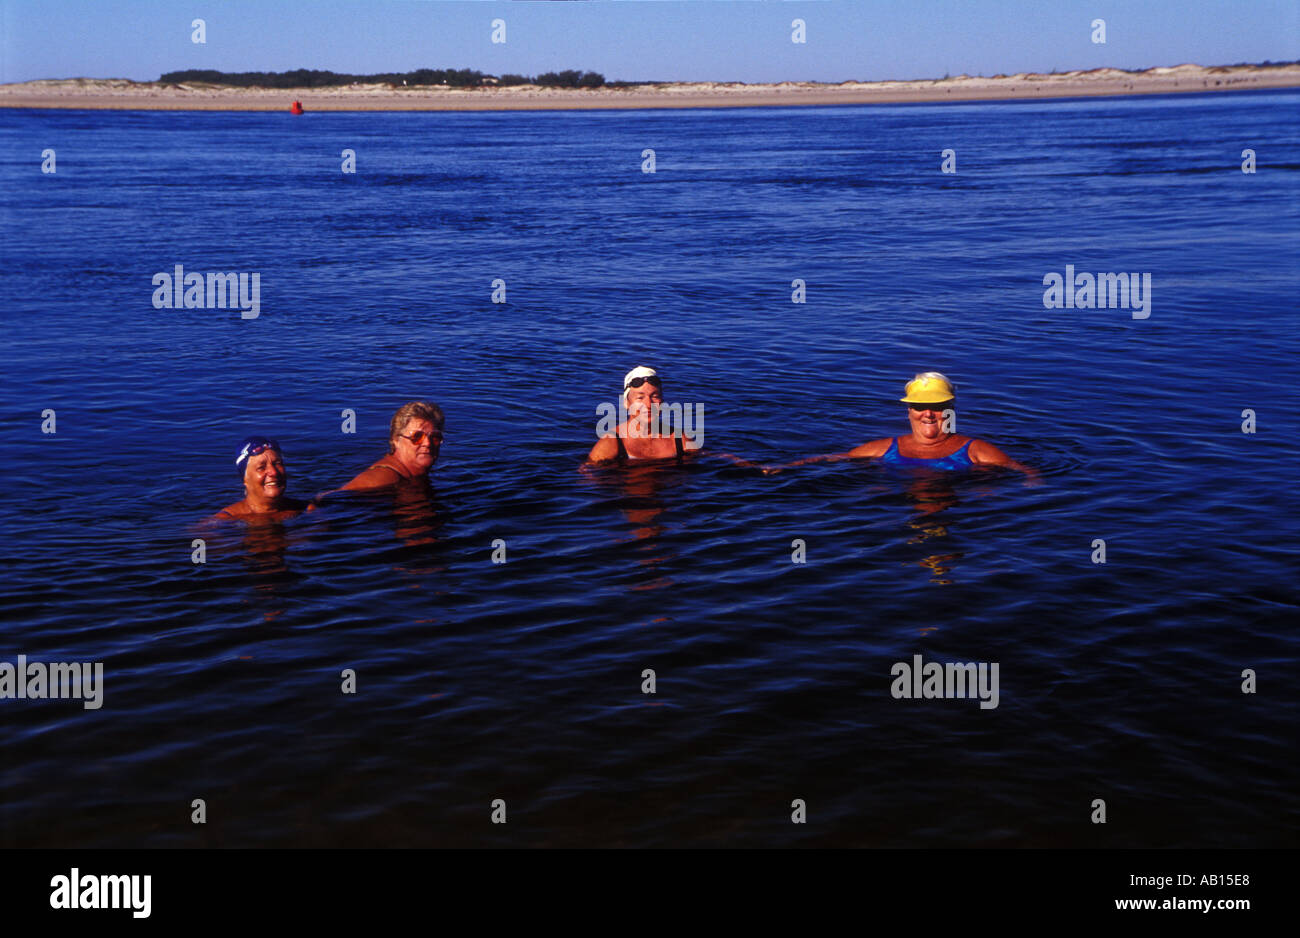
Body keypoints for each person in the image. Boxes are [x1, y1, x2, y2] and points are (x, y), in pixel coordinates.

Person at [781, 372, 1036, 476]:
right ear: (908, 411)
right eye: (919, 406)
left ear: (950, 409)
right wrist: (782, 467)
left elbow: (1027, 474)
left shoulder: (976, 450)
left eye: (937, 406)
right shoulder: (885, 447)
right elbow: (836, 457)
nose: (928, 413)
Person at [586, 366, 701, 465]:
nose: (648, 404)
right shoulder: (611, 442)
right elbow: (587, 479)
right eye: (640, 398)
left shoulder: (679, 439)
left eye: (655, 396)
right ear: (626, 403)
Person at [340, 400, 444, 490]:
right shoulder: (384, 478)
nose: (427, 443)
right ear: (396, 440)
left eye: (435, 437)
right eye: (417, 437)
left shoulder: (409, 475)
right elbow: (333, 498)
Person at [213, 436, 310, 521]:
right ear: (245, 479)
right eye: (261, 468)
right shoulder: (224, 521)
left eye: (277, 464)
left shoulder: (306, 509)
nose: (274, 472)